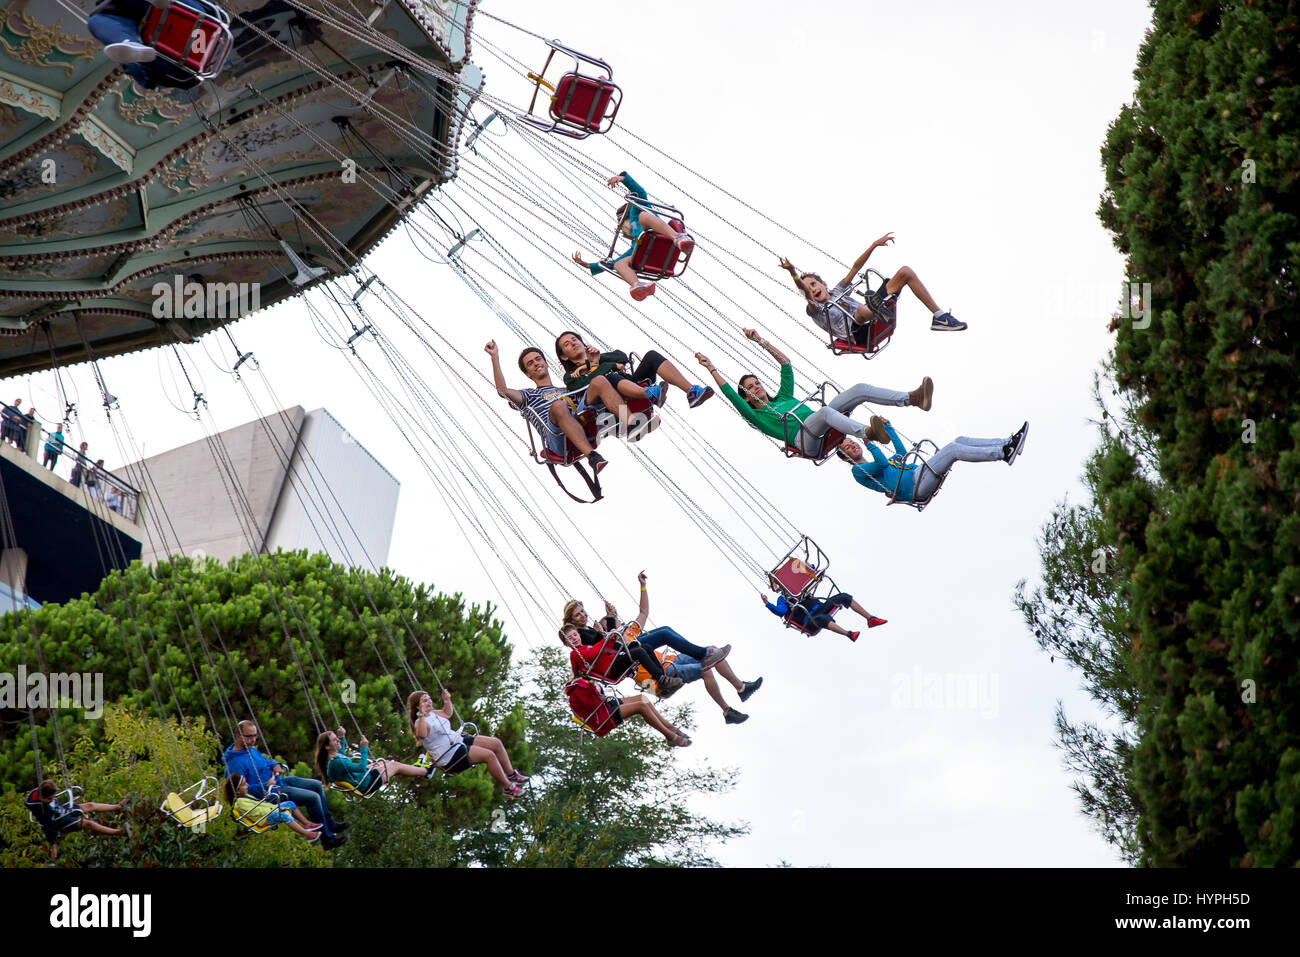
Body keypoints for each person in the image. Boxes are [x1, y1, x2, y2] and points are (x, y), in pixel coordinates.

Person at [697, 329, 933, 457]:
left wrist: (761, 341)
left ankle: (912, 399)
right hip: (806, 440)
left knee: (858, 389)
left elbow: (786, 364)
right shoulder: (756, 416)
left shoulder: (783, 397)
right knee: (825, 411)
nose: (756, 387)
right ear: (747, 397)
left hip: (820, 423)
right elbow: (730, 393)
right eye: (750, 388)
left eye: (756, 383)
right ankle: (868, 432)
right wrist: (711, 368)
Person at [487, 339, 636, 475]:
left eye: (538, 359)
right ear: (527, 374)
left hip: (579, 420)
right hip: (557, 437)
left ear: (545, 363)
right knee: (558, 406)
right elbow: (503, 391)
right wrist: (494, 357)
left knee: (599, 381)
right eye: (530, 363)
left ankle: (631, 421)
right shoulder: (528, 396)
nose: (536, 363)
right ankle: (592, 456)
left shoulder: (567, 390)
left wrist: (595, 364)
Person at [780, 233, 967, 337]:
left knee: (905, 272)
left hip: (870, 315)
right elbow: (804, 292)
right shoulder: (815, 308)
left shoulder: (837, 290)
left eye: (814, 284)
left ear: (823, 284)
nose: (813, 289)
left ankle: (939, 317)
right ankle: (877, 308)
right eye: (810, 289)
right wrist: (792, 273)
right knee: (861, 310)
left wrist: (874, 245)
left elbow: (855, 267)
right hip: (857, 331)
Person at [561, 573, 730, 674]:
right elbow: (600, 648)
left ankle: (705, 656)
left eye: (583, 611)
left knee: (665, 630)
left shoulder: (587, 629)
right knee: (664, 634)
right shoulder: (579, 635)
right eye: (577, 615)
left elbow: (610, 634)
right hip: (622, 652)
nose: (583, 616)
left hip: (623, 647)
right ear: (571, 620)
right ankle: (703, 654)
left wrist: (610, 616)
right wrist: (602, 630)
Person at [837, 416, 1029, 505]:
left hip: (917, 474)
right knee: (953, 450)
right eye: (847, 448)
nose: (852, 446)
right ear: (846, 458)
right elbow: (881, 463)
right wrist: (869, 441)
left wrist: (890, 429)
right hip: (915, 486)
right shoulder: (858, 471)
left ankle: (1007, 443)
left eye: (852, 442)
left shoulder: (887, 465)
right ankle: (1003, 453)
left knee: (959, 440)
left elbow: (902, 454)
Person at [222, 719, 348, 849]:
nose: (253, 740)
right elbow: (242, 791)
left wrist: (276, 764)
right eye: (249, 736)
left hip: (278, 782)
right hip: (269, 794)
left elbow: (266, 762)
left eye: (255, 736)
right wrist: (265, 785)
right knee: (313, 798)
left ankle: (330, 823)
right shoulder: (234, 764)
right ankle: (327, 839)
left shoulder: (251, 750)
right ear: (238, 736)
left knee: (316, 785)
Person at [570, 170, 694, 301]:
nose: (621, 230)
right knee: (619, 264)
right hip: (648, 251)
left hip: (660, 236)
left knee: (644, 216)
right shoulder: (636, 243)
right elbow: (612, 264)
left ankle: (677, 237)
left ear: (625, 218)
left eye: (621, 224)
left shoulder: (636, 213)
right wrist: (589, 265)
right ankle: (637, 285)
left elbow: (640, 194)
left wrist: (623, 178)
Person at [407, 690, 528, 797]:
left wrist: (446, 701)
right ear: (417, 706)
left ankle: (511, 774)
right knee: (489, 755)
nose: (429, 702)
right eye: (424, 701)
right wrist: (421, 715)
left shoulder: (433, 713)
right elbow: (422, 734)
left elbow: (447, 714)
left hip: (458, 741)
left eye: (429, 699)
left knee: (496, 743)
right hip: (449, 756)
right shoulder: (419, 722)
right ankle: (508, 787)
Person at [554, 330, 713, 410]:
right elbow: (591, 382)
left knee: (651, 356)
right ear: (565, 356)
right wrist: (604, 366)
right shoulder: (570, 376)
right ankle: (648, 394)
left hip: (628, 383)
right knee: (608, 376)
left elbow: (621, 357)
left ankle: (691, 392)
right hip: (610, 398)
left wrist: (594, 362)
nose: (573, 343)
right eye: (567, 344)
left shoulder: (599, 357)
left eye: (575, 339)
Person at [86, 0, 220, 92]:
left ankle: (133, 46)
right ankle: (131, 44)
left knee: (96, 21)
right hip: (171, 57)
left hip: (192, 21)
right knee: (96, 21)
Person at [564, 673, 693, 747]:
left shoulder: (587, 680)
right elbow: (589, 705)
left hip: (607, 705)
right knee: (640, 706)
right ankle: (670, 736)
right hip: (603, 715)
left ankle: (669, 727)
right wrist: (594, 690)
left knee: (642, 698)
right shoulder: (577, 689)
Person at [25, 780, 127, 863]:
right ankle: (118, 832)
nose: (52, 799)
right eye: (50, 799)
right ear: (42, 797)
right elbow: (48, 827)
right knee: (88, 823)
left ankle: (117, 807)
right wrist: (53, 845)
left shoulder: (40, 791)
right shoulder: (41, 810)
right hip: (59, 821)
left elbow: (53, 801)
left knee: (90, 805)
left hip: (61, 810)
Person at [314, 727, 433, 795]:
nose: (338, 742)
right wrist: (364, 748)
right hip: (365, 783)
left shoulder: (333, 760)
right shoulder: (337, 762)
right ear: (327, 747)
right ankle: (426, 771)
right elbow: (360, 767)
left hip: (361, 779)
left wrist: (341, 737)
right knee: (394, 765)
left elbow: (341, 754)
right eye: (335, 740)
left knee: (384, 762)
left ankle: (418, 768)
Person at [223, 773, 321, 842]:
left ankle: (307, 824)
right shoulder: (240, 803)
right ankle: (308, 835)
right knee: (283, 816)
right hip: (263, 819)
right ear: (237, 791)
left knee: (290, 803)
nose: (247, 785)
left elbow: (261, 804)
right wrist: (274, 809)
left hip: (268, 812)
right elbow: (257, 811)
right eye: (244, 784)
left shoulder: (246, 796)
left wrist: (274, 807)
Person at [763, 589, 886, 641]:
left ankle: (871, 619)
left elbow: (810, 569)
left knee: (843, 596)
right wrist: (767, 603)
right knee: (822, 619)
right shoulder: (783, 598)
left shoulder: (800, 588)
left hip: (820, 608)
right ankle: (849, 634)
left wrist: (801, 566)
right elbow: (780, 612)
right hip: (809, 619)